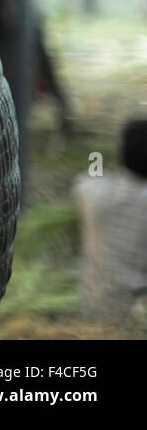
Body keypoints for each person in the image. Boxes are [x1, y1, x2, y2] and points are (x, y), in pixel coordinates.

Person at [73, 119, 147, 325]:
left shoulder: (94, 194)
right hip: (140, 320)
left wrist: (96, 156)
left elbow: (91, 174)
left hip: (97, 311)